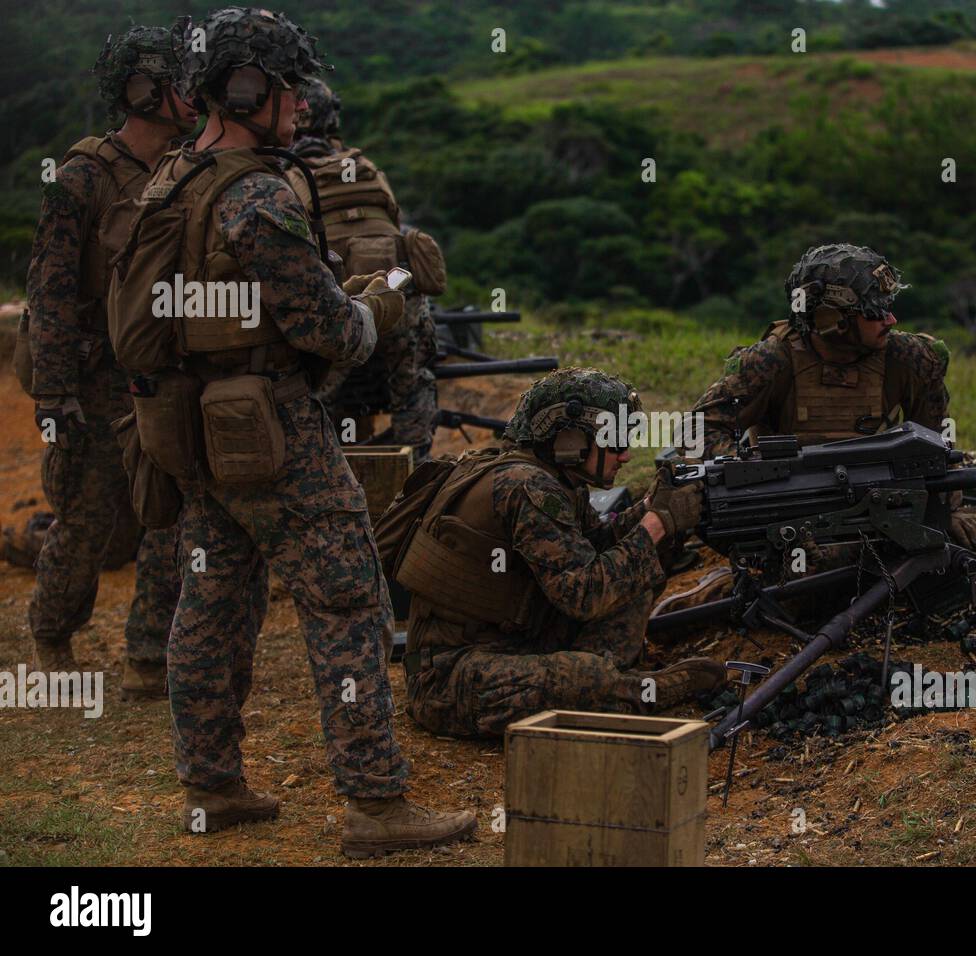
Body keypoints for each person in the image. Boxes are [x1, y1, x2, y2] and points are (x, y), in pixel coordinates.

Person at [128, 7, 473, 857]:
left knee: (209, 601)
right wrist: (382, 300)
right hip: (274, 433)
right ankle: (376, 804)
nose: (300, 108)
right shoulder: (258, 196)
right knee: (349, 600)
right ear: (254, 91)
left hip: (191, 429)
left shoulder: (173, 177)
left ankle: (211, 788)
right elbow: (333, 333)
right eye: (286, 90)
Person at [656, 243, 976, 615]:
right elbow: (697, 430)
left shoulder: (908, 359)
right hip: (791, 511)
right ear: (834, 319)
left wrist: (951, 508)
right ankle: (726, 590)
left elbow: (936, 444)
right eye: (874, 312)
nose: (891, 320)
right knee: (802, 592)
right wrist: (750, 479)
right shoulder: (772, 361)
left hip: (877, 505)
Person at [398, 367, 725, 738]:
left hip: (513, 645)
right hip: (450, 678)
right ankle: (641, 693)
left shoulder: (552, 477)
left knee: (632, 576)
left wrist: (652, 507)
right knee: (585, 677)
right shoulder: (527, 488)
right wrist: (655, 526)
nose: (626, 456)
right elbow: (584, 594)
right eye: (614, 442)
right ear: (570, 439)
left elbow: (594, 549)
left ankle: (609, 682)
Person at [22, 26, 197, 699]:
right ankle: (51, 634)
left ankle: (149, 655)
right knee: (90, 516)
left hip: (156, 374)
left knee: (167, 512)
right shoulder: (83, 176)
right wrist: (55, 390)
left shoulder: (185, 171)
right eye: (174, 83)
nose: (190, 97)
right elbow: (51, 287)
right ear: (141, 91)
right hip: (93, 379)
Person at [286, 78, 443, 459]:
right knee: (413, 386)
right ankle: (415, 471)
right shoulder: (365, 166)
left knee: (312, 396)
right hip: (395, 290)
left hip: (338, 298)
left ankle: (324, 469)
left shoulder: (280, 174)